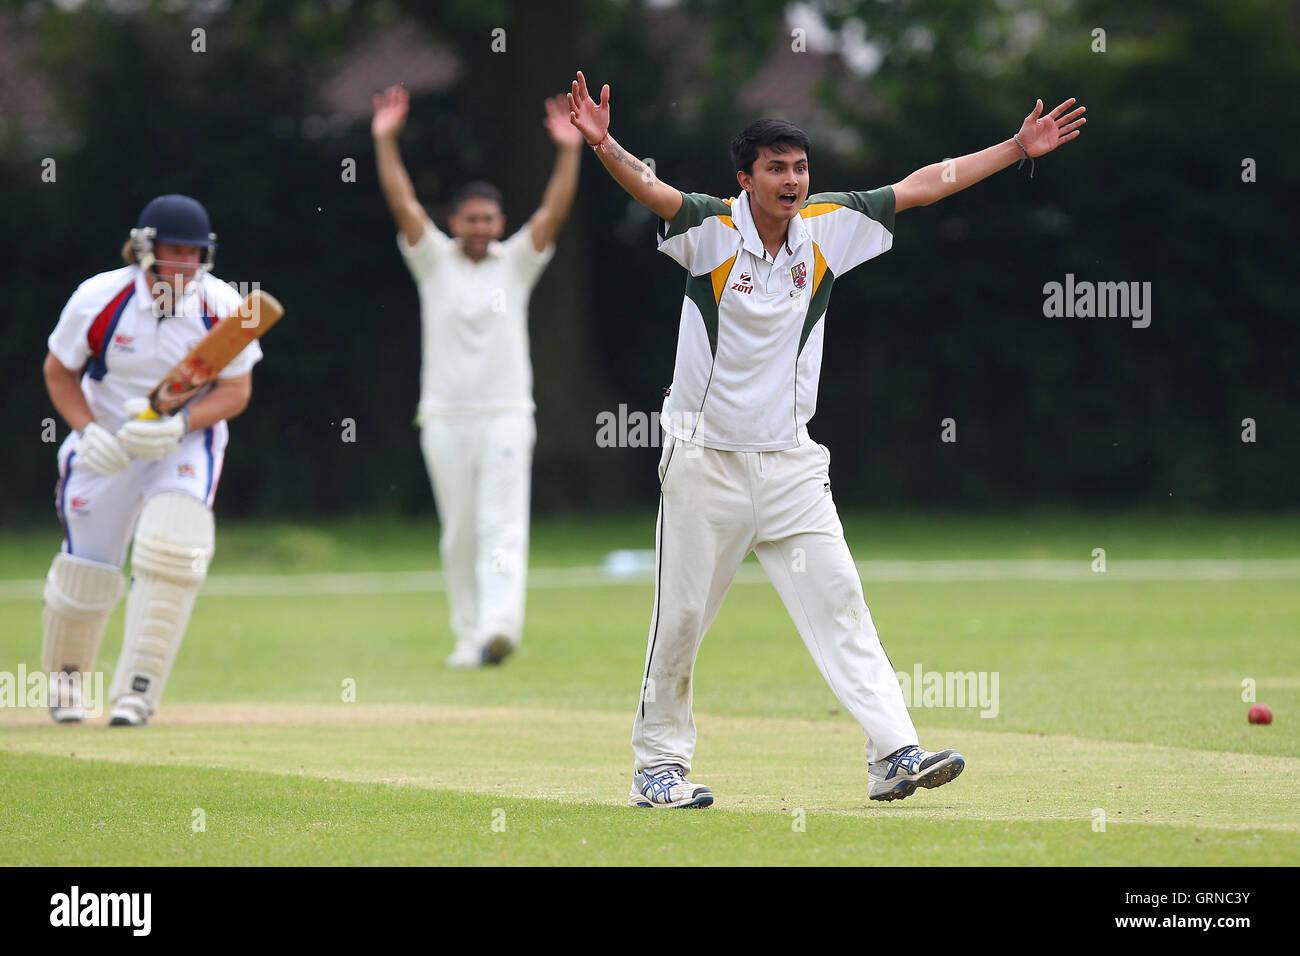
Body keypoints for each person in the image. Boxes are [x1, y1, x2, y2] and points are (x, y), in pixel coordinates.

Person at [567, 71, 1085, 808]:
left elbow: (924, 185)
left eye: (800, 167)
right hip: (704, 461)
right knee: (679, 621)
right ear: (743, 180)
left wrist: (1015, 147)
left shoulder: (828, 226)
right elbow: (654, 193)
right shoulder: (713, 230)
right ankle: (658, 770)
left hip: (790, 464)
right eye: (776, 168)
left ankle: (894, 754)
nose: (792, 180)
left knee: (841, 601)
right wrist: (603, 144)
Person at [372, 85, 581, 669]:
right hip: (443, 415)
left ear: (500, 222)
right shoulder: (432, 260)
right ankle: (468, 635)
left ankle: (498, 627)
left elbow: (554, 213)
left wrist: (568, 149)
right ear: (455, 221)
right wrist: (385, 139)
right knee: (459, 532)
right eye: (471, 218)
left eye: (490, 218)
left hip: (507, 413)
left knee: (501, 524)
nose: (481, 227)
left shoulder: (515, 263)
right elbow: (401, 203)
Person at [41, 194, 261, 726]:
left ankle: (137, 693)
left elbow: (235, 391)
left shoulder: (225, 305)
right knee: (87, 572)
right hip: (108, 445)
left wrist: (181, 424)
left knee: (173, 550)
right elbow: (58, 371)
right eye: (172, 251)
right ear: (144, 249)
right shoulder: (99, 298)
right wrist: (87, 431)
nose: (183, 264)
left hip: (182, 444)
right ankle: (68, 688)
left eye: (193, 253)